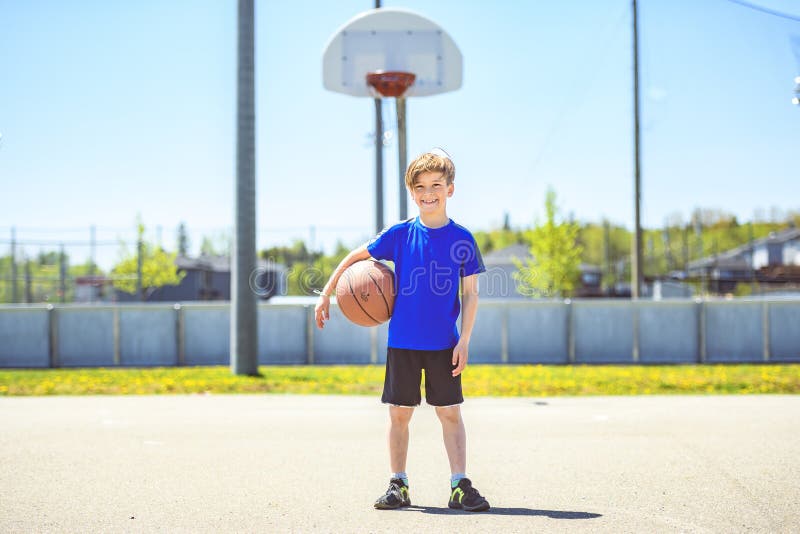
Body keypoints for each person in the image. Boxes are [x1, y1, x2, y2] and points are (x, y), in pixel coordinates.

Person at [314, 148, 490, 512]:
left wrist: (465, 340)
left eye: (436, 185)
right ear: (412, 192)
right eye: (421, 187)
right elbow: (355, 258)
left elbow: (471, 295)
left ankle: (459, 485)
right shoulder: (399, 234)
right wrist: (327, 294)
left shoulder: (462, 239)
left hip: (444, 343)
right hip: (404, 343)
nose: (429, 193)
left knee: (450, 412)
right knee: (398, 414)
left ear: (450, 189)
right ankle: (399, 484)